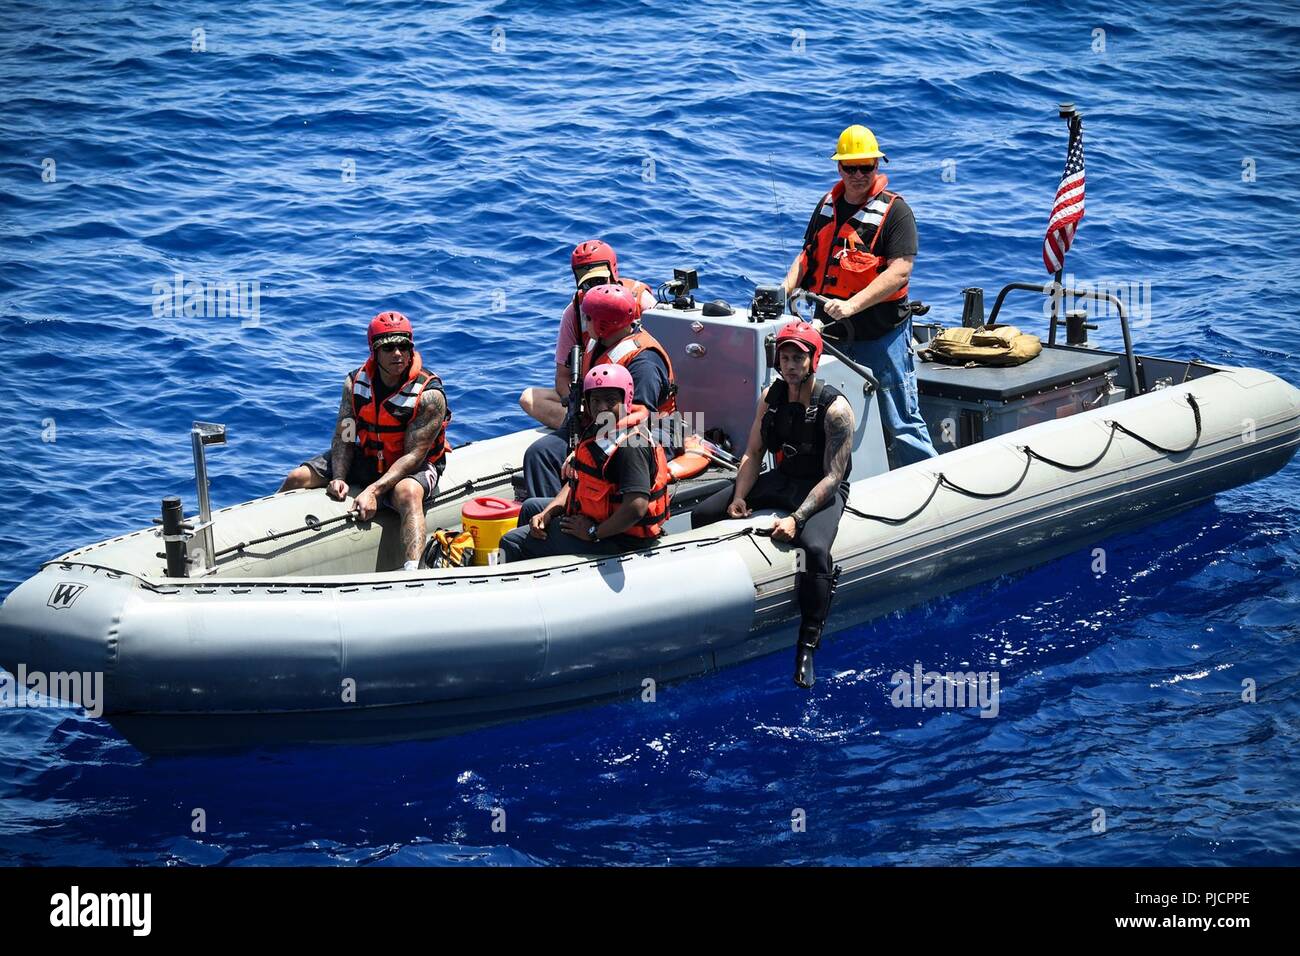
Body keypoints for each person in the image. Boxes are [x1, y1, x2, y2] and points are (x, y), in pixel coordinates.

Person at [690, 322, 852, 689]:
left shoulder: (836, 409)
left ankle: (808, 643)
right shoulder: (771, 397)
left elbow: (833, 477)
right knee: (703, 514)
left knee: (813, 549)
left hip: (821, 488)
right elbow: (752, 452)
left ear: (814, 360)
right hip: (782, 479)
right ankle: (714, 601)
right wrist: (740, 497)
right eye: (785, 357)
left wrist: (797, 519)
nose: (791, 365)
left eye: (799, 358)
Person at [780, 123, 937, 468]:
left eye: (866, 167)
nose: (858, 175)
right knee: (824, 416)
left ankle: (931, 479)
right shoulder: (827, 205)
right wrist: (783, 290)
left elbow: (900, 272)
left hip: (881, 338)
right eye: (850, 167)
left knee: (901, 420)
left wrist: (851, 306)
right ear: (839, 168)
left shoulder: (896, 212)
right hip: (830, 337)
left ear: (877, 166)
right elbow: (807, 256)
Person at [279, 311, 451, 570]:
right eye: (389, 347)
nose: (397, 354)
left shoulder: (429, 395)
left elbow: (414, 456)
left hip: (415, 464)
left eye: (403, 346)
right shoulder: (354, 383)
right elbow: (345, 435)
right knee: (297, 477)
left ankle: (413, 571)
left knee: (407, 493)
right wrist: (339, 475)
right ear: (374, 351)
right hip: (370, 456)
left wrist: (373, 490)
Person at [520, 282, 677, 500]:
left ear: (605, 322)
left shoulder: (644, 363)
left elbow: (639, 420)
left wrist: (586, 450)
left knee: (589, 462)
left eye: (590, 318)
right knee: (540, 453)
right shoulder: (599, 343)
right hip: (601, 426)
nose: (585, 323)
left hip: (647, 434)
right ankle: (553, 515)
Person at [500, 364, 670, 562]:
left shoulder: (632, 445)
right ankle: (539, 563)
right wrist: (548, 513)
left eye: (611, 400)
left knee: (512, 541)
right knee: (531, 508)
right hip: (597, 519)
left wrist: (592, 531)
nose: (602, 407)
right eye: (595, 400)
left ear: (626, 399)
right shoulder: (600, 431)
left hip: (620, 539)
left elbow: (636, 508)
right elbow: (578, 482)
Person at [518, 240, 657, 430]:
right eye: (588, 284)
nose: (595, 289)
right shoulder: (575, 313)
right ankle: (587, 428)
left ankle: (597, 430)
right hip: (593, 397)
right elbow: (563, 377)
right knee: (530, 398)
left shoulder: (642, 302)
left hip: (632, 396)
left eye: (599, 281)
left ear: (613, 273)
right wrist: (578, 404)